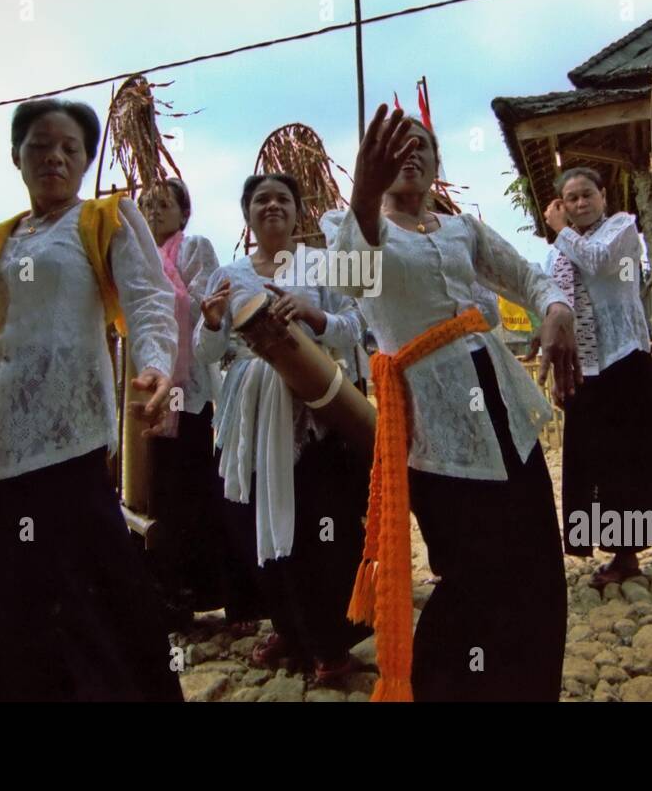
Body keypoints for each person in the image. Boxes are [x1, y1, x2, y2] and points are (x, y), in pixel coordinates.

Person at [0, 98, 182, 701]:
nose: (53, 156)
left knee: (89, 604)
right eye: (38, 146)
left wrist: (157, 365)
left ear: (84, 161)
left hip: (69, 443)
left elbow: (149, 298)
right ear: (16, 158)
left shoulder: (105, 220)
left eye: (69, 148)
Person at [323, 108, 581, 701]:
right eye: (394, 147)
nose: (409, 154)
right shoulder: (354, 224)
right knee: (469, 567)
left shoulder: (461, 228)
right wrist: (363, 193)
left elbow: (528, 276)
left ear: (439, 164)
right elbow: (349, 279)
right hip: (432, 423)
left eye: (422, 147)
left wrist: (555, 308)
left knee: (537, 559)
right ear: (372, 166)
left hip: (502, 407)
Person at [195, 172, 369, 684]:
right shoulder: (227, 275)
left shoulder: (321, 265)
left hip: (314, 410)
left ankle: (330, 643)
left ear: (298, 212)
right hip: (249, 415)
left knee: (321, 521)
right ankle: (291, 630)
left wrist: (315, 317)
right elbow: (209, 357)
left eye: (283, 199)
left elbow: (358, 324)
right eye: (261, 200)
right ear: (247, 215)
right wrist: (209, 323)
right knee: (255, 523)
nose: (272, 206)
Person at [544, 167, 652, 586]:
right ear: (563, 205)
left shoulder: (622, 229)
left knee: (643, 452)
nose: (580, 203)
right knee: (599, 460)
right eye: (570, 199)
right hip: (584, 367)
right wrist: (557, 372)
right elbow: (553, 304)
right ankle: (623, 554)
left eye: (587, 194)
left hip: (625, 357)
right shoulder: (556, 253)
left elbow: (599, 262)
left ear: (603, 196)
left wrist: (559, 230)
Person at [136, 177, 255, 627]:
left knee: (194, 490)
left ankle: (212, 592)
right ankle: (170, 593)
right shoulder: (140, 257)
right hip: (149, 387)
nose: (154, 213)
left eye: (163, 205)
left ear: (184, 214)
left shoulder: (193, 248)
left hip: (189, 388)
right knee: (159, 493)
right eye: (146, 206)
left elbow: (207, 309)